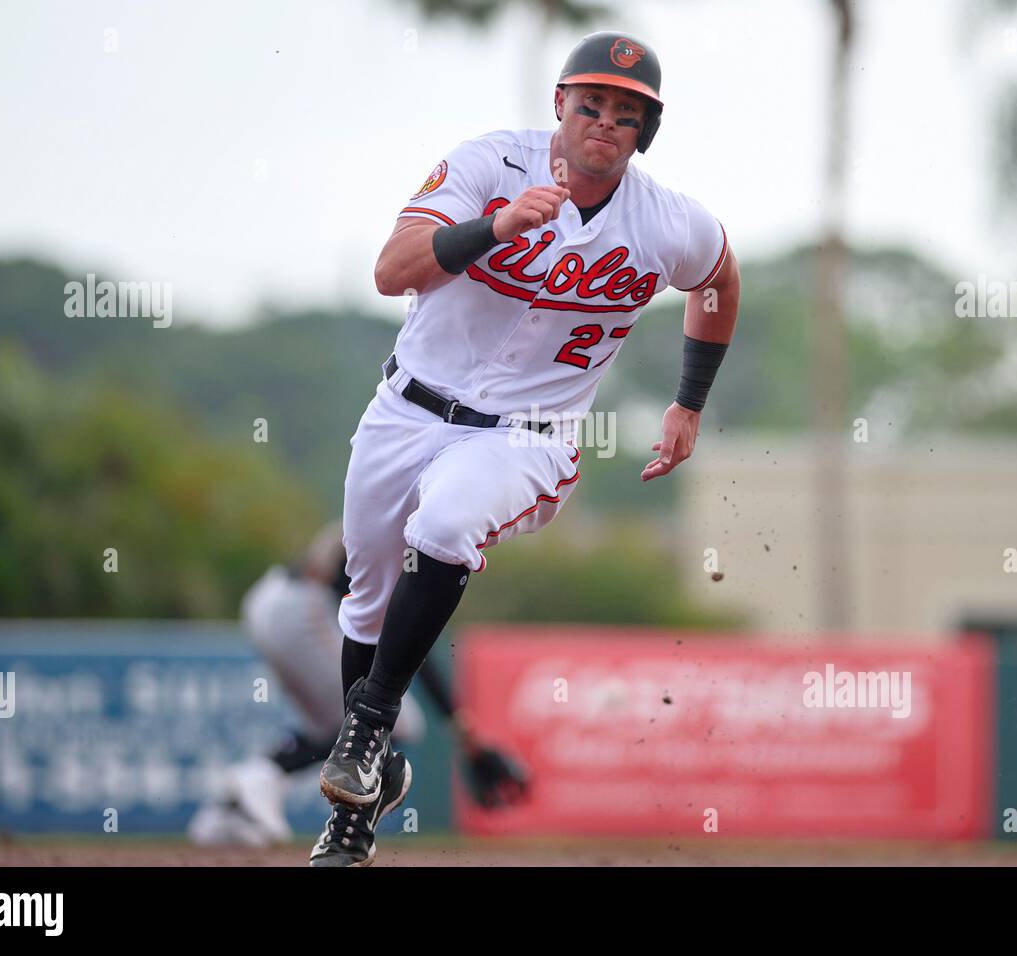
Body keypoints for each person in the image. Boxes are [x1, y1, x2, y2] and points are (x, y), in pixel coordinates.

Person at [313, 31, 740, 867]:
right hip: (407, 409)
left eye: (627, 113)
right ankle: (361, 807)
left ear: (646, 130)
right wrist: (494, 226)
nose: (605, 123)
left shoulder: (667, 221)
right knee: (364, 598)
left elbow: (720, 281)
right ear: (560, 104)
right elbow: (391, 270)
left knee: (444, 527)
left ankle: (364, 733)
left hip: (526, 435)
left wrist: (689, 402)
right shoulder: (489, 166)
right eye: (591, 103)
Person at [187, 523, 529, 856]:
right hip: (301, 606)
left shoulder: (397, 511)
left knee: (334, 728)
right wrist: (463, 730)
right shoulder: (422, 532)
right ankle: (263, 776)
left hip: (271, 601)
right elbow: (410, 645)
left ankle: (233, 807)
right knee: (399, 722)